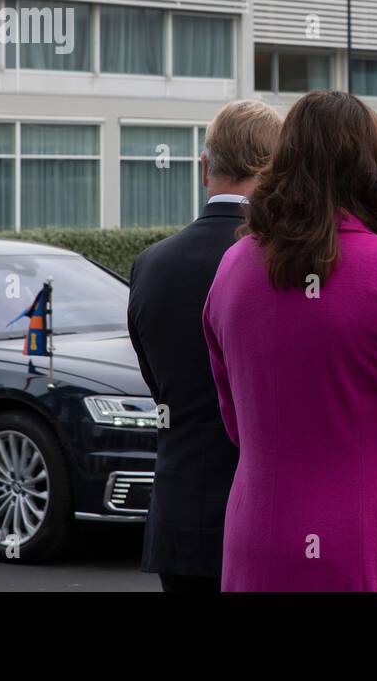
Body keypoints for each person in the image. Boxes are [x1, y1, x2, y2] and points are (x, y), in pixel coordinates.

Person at [203, 91, 377, 592]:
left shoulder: (233, 268)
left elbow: (235, 417)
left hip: (257, 544)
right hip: (372, 547)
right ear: (373, 169)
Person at [127, 99, 283, 592]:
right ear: (276, 172)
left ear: (204, 168)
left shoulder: (151, 264)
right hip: (266, 514)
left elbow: (158, 383)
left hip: (179, 516)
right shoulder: (281, 263)